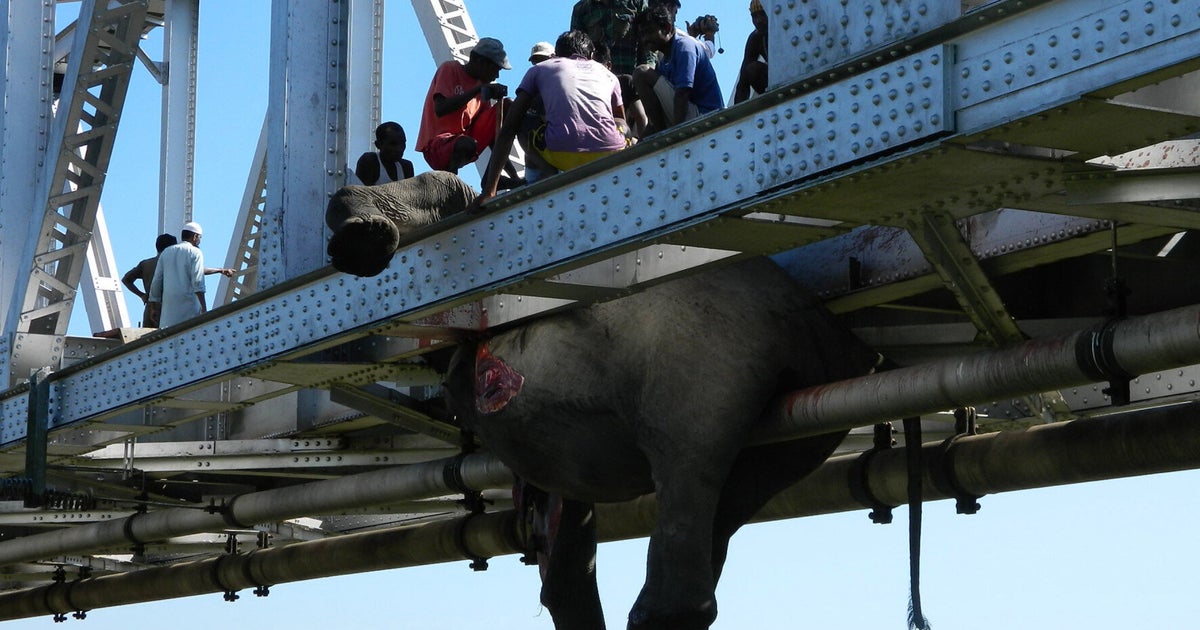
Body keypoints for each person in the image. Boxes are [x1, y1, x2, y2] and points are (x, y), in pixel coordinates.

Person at [477, 30, 628, 204]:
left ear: (556, 54)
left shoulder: (539, 70)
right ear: (592, 55)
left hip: (561, 154)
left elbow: (509, 127)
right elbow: (620, 118)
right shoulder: (608, 74)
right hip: (611, 151)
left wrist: (490, 191)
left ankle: (547, 171)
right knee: (619, 123)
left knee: (520, 117)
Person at [414, 37, 516, 178]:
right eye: (495, 69)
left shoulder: (481, 89)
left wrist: (513, 174)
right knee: (465, 143)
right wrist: (476, 90)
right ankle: (451, 178)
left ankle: (491, 181)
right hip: (438, 146)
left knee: (509, 105)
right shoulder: (450, 69)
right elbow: (441, 108)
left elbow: (492, 138)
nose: (496, 76)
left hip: (466, 143)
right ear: (480, 62)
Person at [632, 5, 724, 134]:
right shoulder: (663, 60)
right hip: (687, 113)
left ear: (667, 28)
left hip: (706, 117)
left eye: (649, 32)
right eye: (642, 35)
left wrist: (673, 137)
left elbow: (683, 93)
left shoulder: (684, 47)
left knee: (642, 73)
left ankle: (661, 135)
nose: (645, 39)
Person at [570, 0, 655, 137]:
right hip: (599, 89)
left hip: (633, 83)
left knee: (642, 129)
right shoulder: (582, 9)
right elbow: (576, 51)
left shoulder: (636, 3)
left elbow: (648, 41)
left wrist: (647, 74)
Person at [149, 222, 234, 328]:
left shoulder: (166, 252)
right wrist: (204, 308)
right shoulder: (195, 252)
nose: (200, 240)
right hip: (189, 310)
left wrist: (153, 307)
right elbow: (198, 281)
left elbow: (156, 281)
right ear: (194, 236)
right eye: (200, 237)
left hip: (169, 313)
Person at [121, 233, 176, 327]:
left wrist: (142, 295)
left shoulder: (145, 264)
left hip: (150, 308)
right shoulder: (173, 265)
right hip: (169, 309)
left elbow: (126, 279)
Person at [353, 121, 415, 185]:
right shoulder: (370, 161)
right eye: (393, 144)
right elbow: (361, 193)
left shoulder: (406, 167)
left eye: (402, 143)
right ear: (378, 145)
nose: (399, 149)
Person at [734, 0, 768, 103]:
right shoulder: (756, 38)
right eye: (754, 16)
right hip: (773, 79)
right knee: (751, 69)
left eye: (762, 14)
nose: (758, 20)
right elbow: (743, 79)